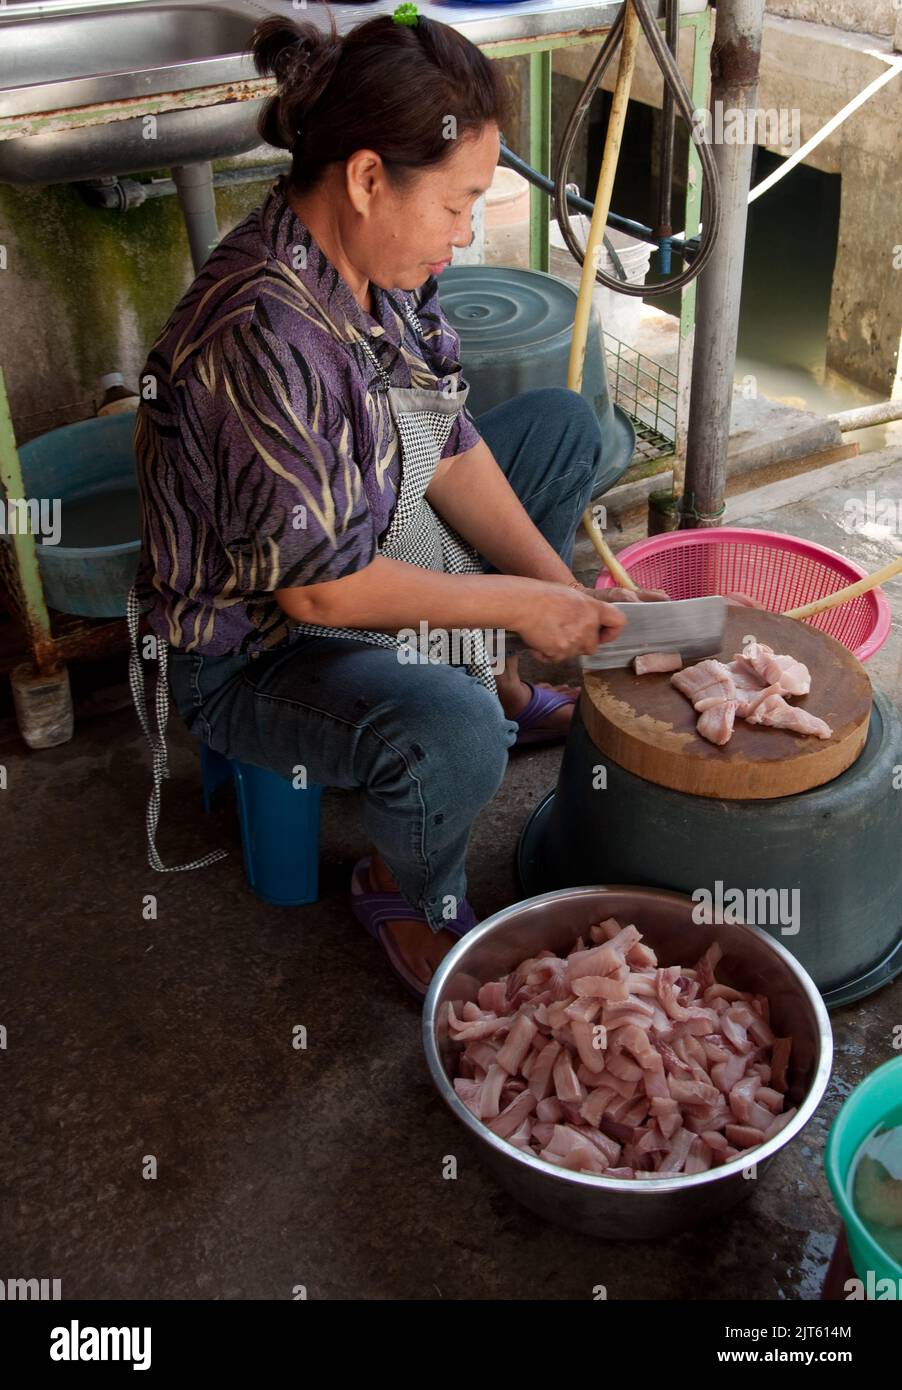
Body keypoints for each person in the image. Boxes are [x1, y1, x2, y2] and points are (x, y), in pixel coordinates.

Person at [132, 4, 661, 1000]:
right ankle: (405, 886)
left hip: (364, 527)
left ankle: (497, 681)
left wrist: (578, 607)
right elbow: (319, 599)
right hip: (250, 650)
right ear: (369, 177)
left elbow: (450, 447)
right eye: (457, 204)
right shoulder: (264, 335)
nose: (463, 236)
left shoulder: (380, 263)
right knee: (456, 731)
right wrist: (516, 607)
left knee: (559, 430)